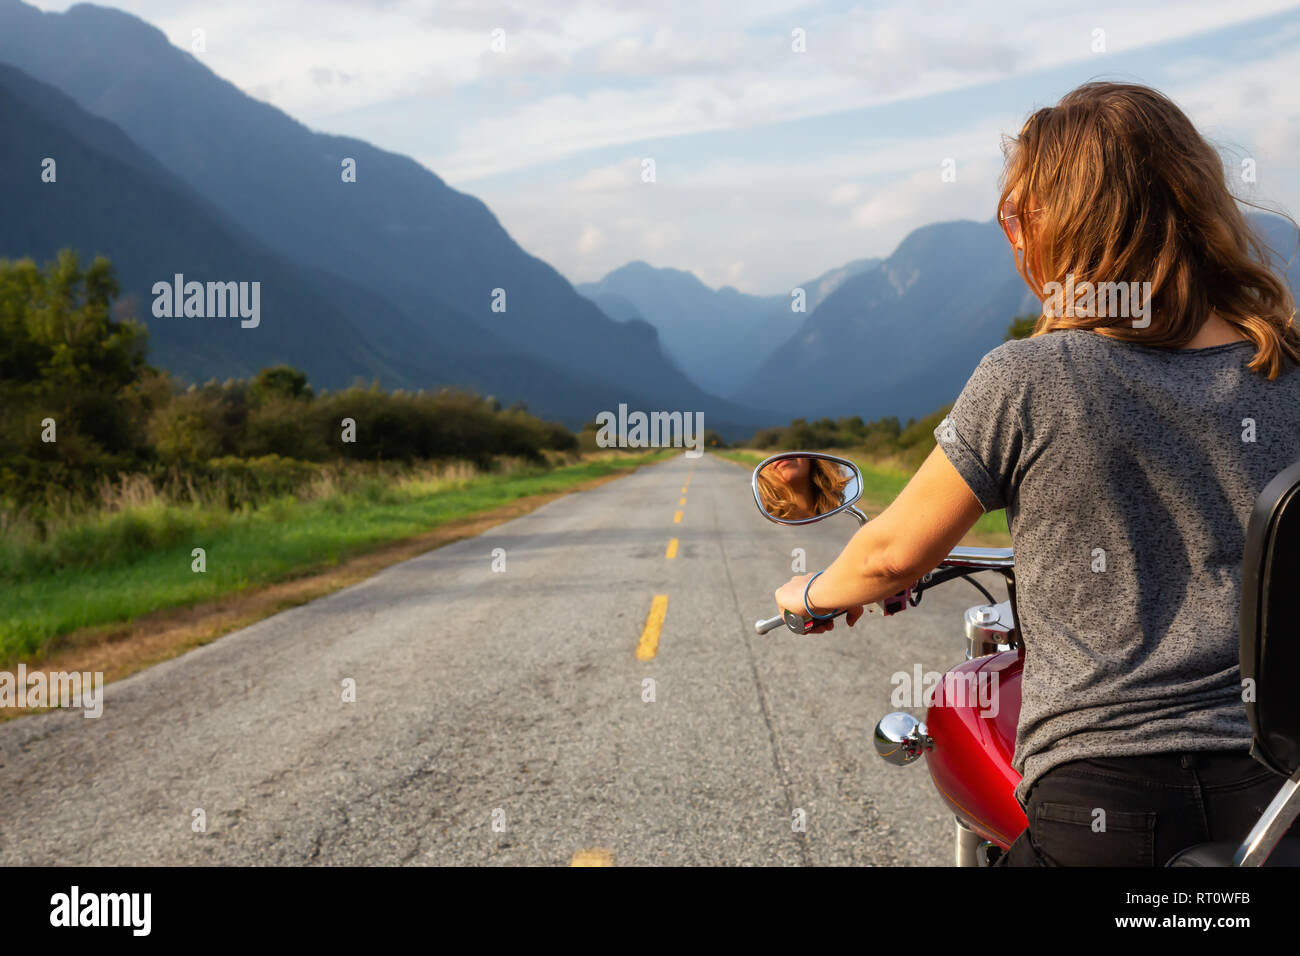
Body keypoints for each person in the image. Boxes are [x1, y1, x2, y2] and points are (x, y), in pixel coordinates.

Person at [772, 81, 1300, 866]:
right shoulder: (1286, 370)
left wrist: (807, 594)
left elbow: (890, 555)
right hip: (1276, 801)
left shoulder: (1030, 376)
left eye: (1018, 217)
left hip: (1104, 803)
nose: (1012, 238)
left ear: (1066, 227)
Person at [756, 456, 850, 521]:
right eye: (769, 456)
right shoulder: (761, 521)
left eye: (791, 449)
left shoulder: (844, 517)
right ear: (761, 474)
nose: (780, 457)